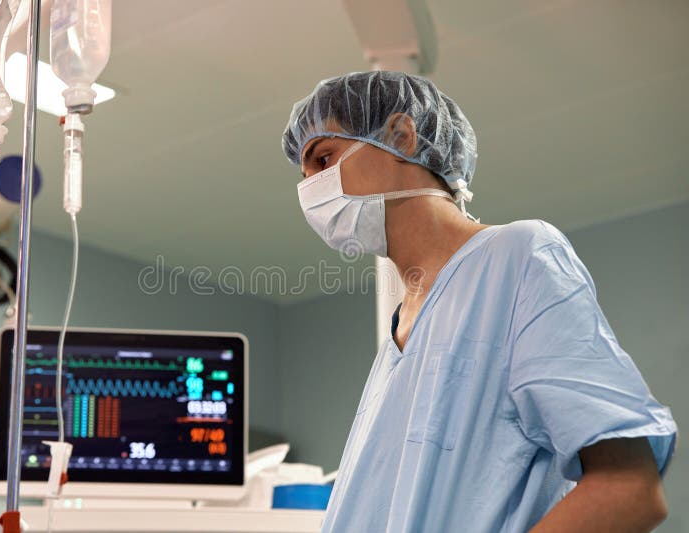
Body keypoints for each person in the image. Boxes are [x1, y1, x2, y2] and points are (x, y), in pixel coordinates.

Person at [281, 71, 678, 532]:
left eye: (323, 158)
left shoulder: (518, 257)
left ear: (401, 136)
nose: (311, 189)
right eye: (304, 174)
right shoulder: (400, 330)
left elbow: (628, 488)